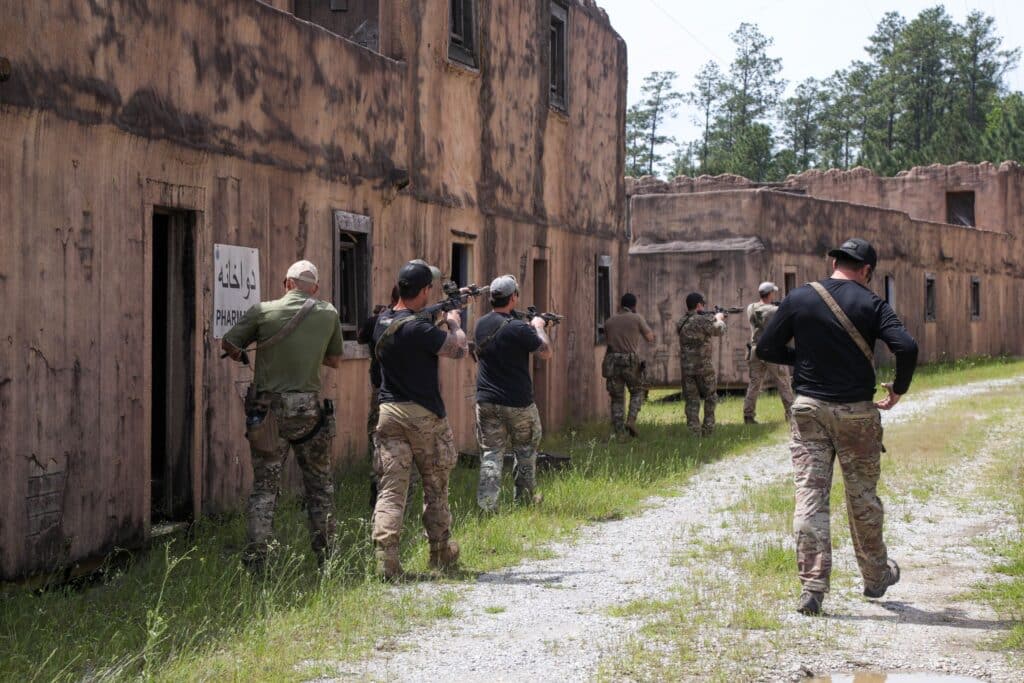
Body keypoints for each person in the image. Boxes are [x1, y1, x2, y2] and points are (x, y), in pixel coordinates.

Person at [756, 237, 918, 616]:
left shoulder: (799, 298)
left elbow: (766, 348)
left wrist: (801, 357)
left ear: (834, 263)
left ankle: (812, 587)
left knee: (810, 497)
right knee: (862, 498)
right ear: (866, 271)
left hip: (809, 411)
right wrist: (899, 388)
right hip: (857, 415)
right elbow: (906, 347)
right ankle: (876, 577)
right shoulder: (872, 303)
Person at [221, 259, 344, 571]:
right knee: (320, 486)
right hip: (308, 413)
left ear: (286, 283)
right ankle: (328, 561)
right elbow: (334, 360)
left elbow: (230, 343)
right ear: (314, 288)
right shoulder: (328, 313)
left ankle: (257, 563)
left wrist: (247, 359)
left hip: (267, 412)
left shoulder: (263, 311)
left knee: (265, 488)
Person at [371, 261, 468, 579]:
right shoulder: (419, 328)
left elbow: (411, 326)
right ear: (425, 290)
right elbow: (457, 350)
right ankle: (440, 554)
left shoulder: (382, 322)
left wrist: (438, 314)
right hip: (423, 416)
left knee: (391, 491)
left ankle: (386, 562)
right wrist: (454, 322)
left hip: (389, 414)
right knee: (436, 487)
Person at [473, 275, 554, 512]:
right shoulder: (520, 328)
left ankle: (487, 505)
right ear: (514, 297)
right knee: (526, 451)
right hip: (518, 403)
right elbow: (545, 352)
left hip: (486, 401)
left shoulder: (480, 324)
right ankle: (525, 500)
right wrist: (539, 327)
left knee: (491, 454)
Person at [356, 285, 400, 510]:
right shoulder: (416, 321)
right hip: (405, 397)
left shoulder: (378, 321)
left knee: (377, 443)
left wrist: (377, 316)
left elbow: (361, 337)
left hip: (380, 393)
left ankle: (378, 496)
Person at [602, 293, 656, 438]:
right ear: (634, 305)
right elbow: (650, 338)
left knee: (617, 397)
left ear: (620, 305)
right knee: (637, 391)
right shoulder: (636, 318)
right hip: (630, 361)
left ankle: (619, 432)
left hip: (613, 362)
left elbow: (608, 340)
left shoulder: (609, 321)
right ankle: (631, 420)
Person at [742, 281, 795, 425]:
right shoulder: (774, 310)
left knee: (754, 384)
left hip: (754, 350)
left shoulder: (751, 307)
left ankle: (748, 415)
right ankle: (791, 414)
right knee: (783, 382)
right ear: (770, 293)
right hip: (771, 351)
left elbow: (762, 312)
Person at [676, 292, 726, 435]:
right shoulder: (701, 320)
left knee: (691, 400)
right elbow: (720, 330)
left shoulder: (682, 321)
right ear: (699, 305)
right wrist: (719, 318)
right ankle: (708, 429)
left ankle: (694, 431)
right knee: (710, 397)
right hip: (703, 367)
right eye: (703, 305)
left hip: (687, 368)